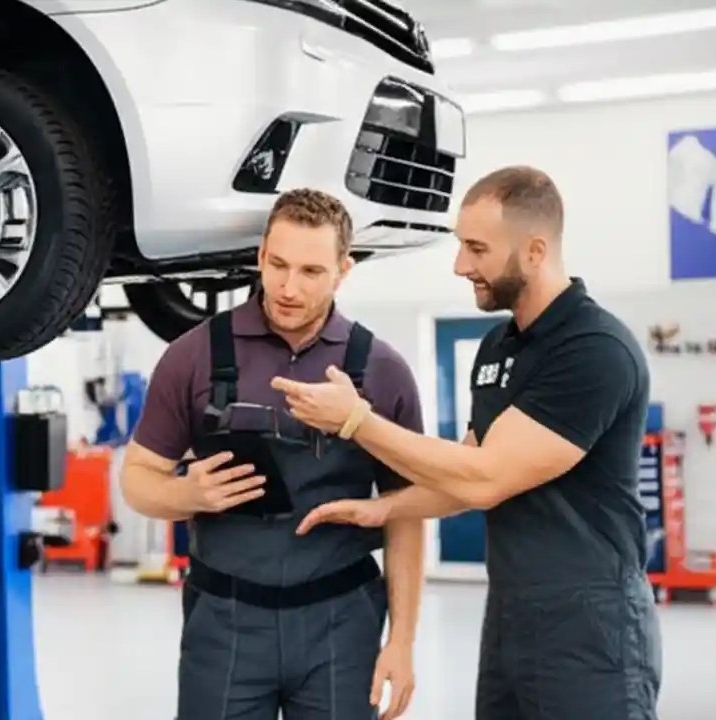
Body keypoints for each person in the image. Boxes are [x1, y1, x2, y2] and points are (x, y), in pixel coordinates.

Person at [271, 167, 664, 720]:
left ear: (534, 251)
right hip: (510, 611)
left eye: (476, 249)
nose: (460, 265)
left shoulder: (594, 350)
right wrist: (383, 509)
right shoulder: (498, 347)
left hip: (591, 619)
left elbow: (487, 479)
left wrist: (356, 421)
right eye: (460, 245)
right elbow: (460, 474)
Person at [120, 188, 427, 720]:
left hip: (342, 625)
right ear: (260, 255)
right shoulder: (192, 356)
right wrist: (185, 493)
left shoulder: (382, 370)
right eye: (278, 264)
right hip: (225, 621)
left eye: (311, 271)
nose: (288, 288)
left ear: (342, 270)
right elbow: (137, 479)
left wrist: (401, 641)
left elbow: (406, 515)